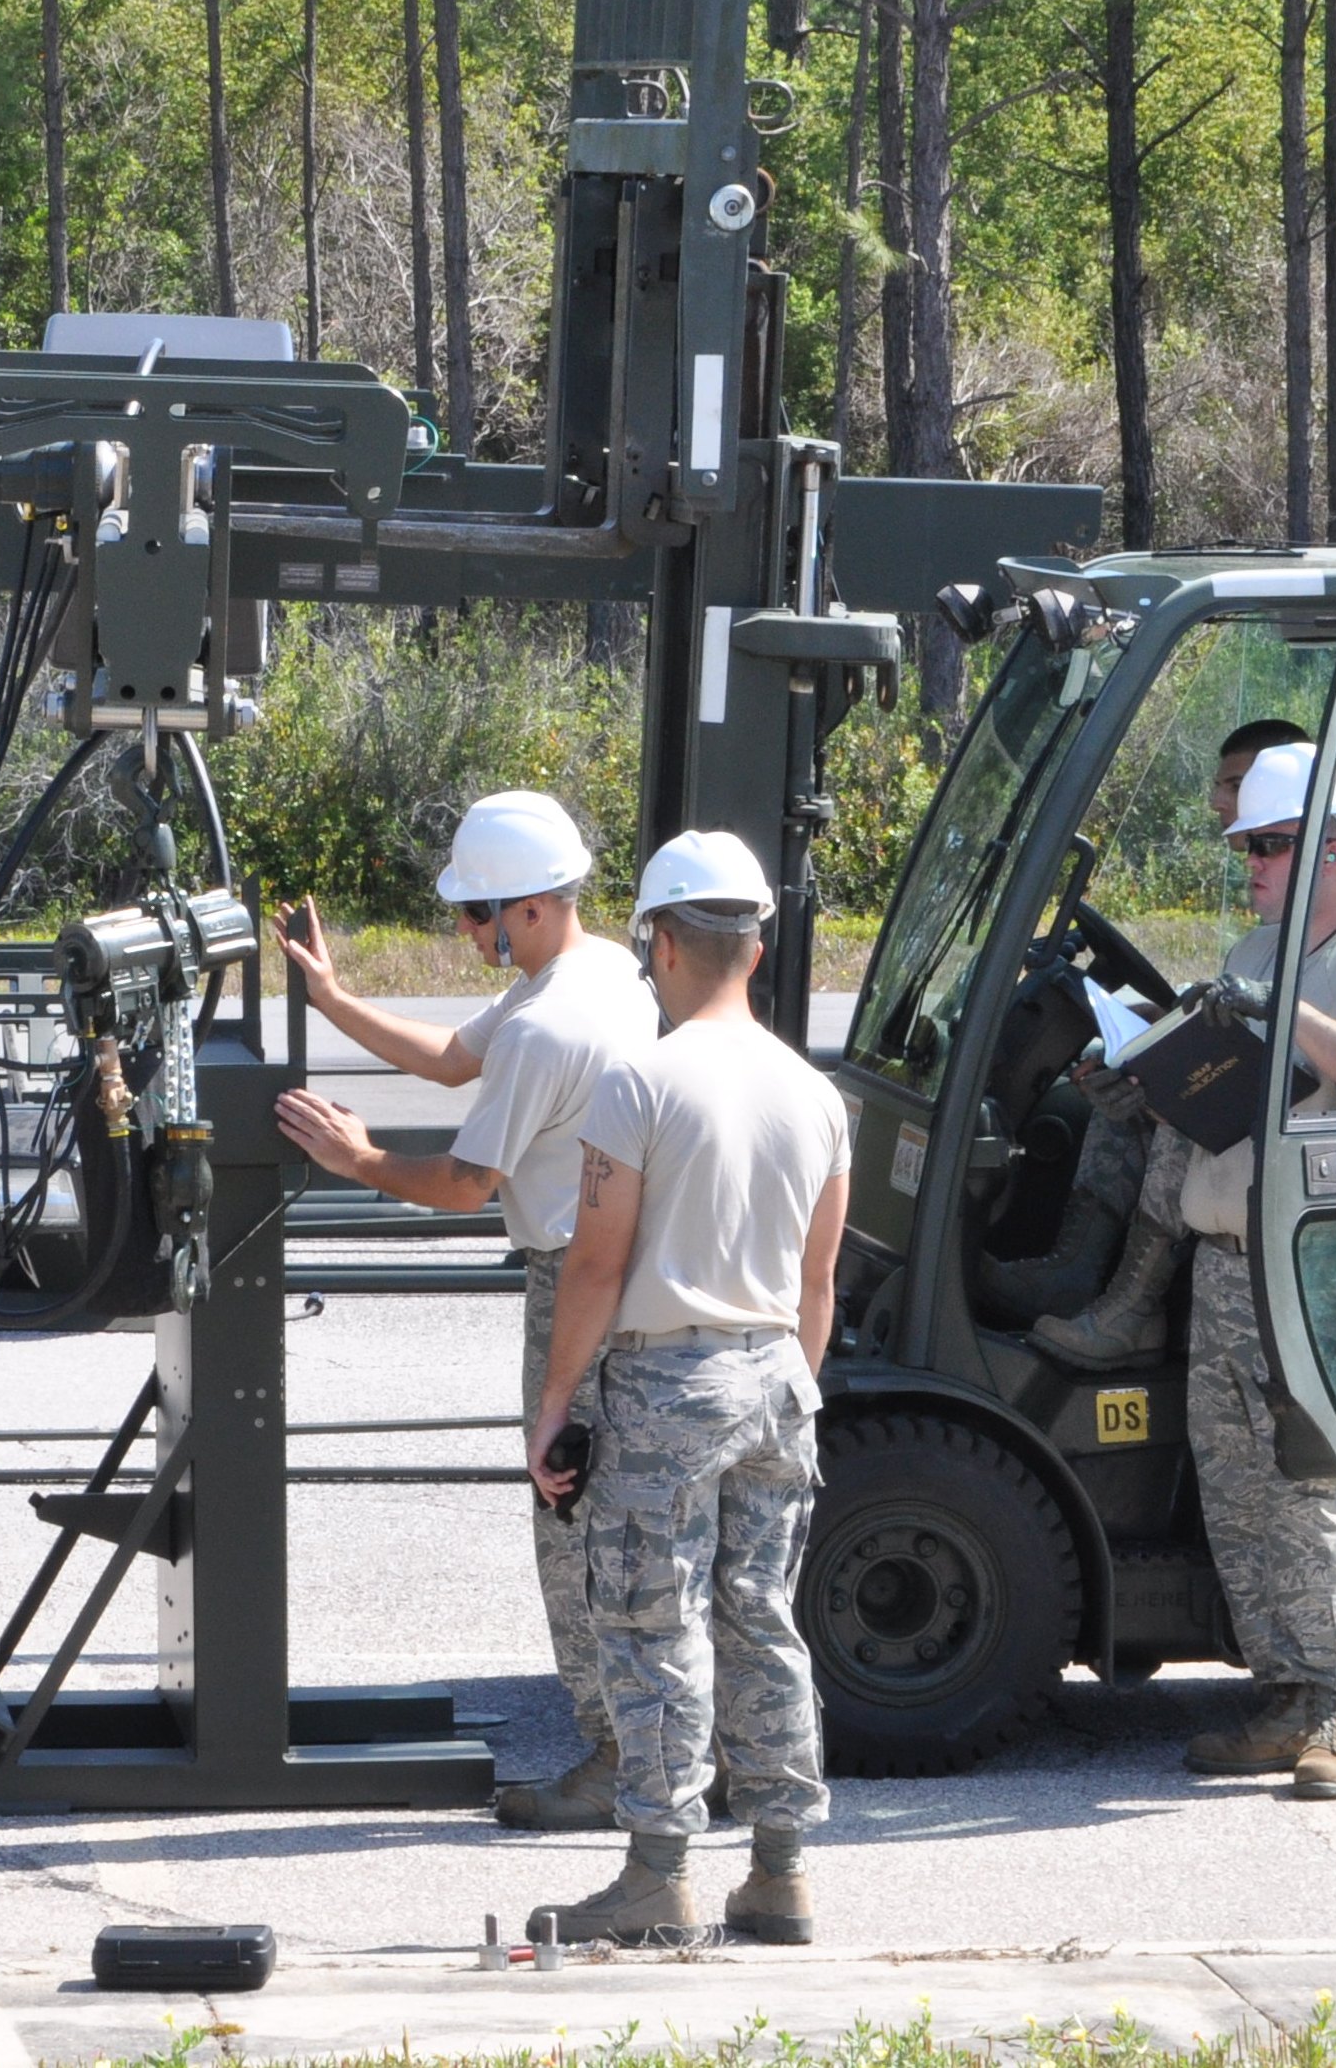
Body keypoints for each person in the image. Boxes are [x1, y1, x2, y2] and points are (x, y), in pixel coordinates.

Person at [1042, 743, 1336, 1800]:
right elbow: (1216, 1094)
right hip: (1225, 1260)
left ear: (1333, 849)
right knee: (1236, 1495)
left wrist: (1278, 1015)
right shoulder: (1259, 948)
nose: (1250, 862)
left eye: (1268, 844)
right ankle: (1279, 1695)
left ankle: (1334, 1712)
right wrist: (1131, 1082)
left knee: (1308, 1489)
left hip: (1316, 1266)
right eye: (1247, 845)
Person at [272, 789, 659, 1830]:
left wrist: (352, 1157)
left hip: (573, 1272)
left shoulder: (546, 1024)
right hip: (626, 1266)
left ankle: (618, 1755)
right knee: (616, 1510)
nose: (464, 931)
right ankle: (649, 1737)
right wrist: (333, 997)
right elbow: (451, 1057)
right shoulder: (604, 969)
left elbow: (462, 1183)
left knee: (564, 1510)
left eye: (474, 913)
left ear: (529, 906)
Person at [521, 832, 850, 1949]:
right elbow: (819, 1284)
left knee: (653, 1622)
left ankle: (659, 1871)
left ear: (658, 943)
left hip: (669, 1380)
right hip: (777, 1378)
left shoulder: (640, 1085)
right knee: (761, 1618)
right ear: (755, 946)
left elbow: (598, 1265)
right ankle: (780, 1868)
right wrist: (789, 1384)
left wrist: (554, 1403)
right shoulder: (815, 1094)